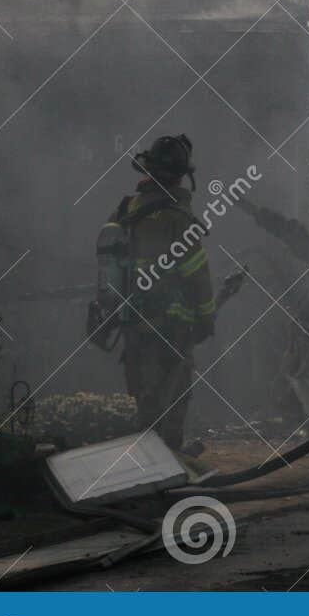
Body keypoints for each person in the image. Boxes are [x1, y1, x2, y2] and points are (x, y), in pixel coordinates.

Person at [96, 134, 216, 451]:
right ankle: (168, 466)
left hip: (133, 324)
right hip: (172, 328)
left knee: (146, 400)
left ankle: (146, 466)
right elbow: (197, 277)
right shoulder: (178, 218)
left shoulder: (124, 210)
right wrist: (206, 316)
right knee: (174, 397)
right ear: (181, 175)